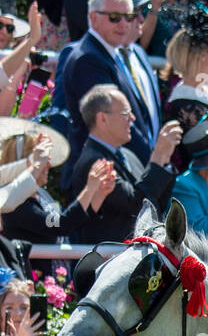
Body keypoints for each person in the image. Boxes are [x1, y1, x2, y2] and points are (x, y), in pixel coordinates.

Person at [60, 0, 164, 167]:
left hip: (121, 169)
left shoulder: (111, 53)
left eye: (129, 17)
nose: (123, 24)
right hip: (101, 173)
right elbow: (115, 121)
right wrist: (154, 162)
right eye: (114, 18)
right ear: (93, 17)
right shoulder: (88, 59)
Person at [67, 86, 179, 245]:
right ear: (102, 119)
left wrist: (164, 160)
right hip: (110, 261)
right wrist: (158, 158)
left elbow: (156, 202)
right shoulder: (94, 162)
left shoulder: (128, 155)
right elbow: (138, 206)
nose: (132, 118)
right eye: (126, 113)